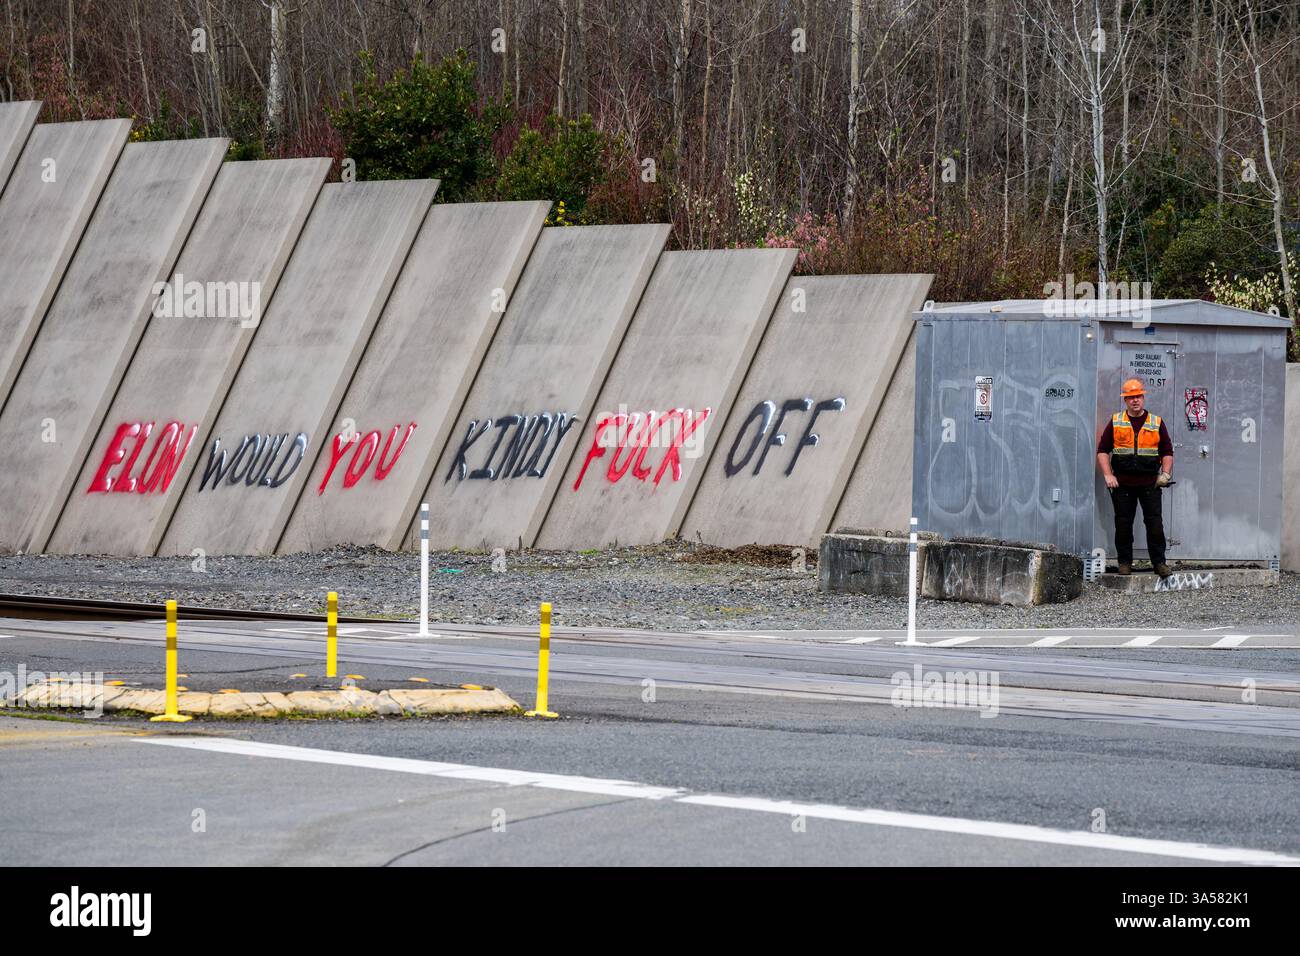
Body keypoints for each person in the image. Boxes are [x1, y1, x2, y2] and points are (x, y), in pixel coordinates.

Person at [1096, 378, 1174, 577]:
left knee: (1155, 524)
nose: (1135, 400)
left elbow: (1167, 450)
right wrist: (1108, 475)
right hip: (1122, 484)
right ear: (1125, 400)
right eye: (1131, 397)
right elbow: (1103, 451)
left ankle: (1159, 564)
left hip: (1150, 483)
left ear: (1143, 397)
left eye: (1138, 396)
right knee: (1123, 524)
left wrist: (1165, 474)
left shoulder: (1156, 422)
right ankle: (1124, 563)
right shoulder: (1116, 421)